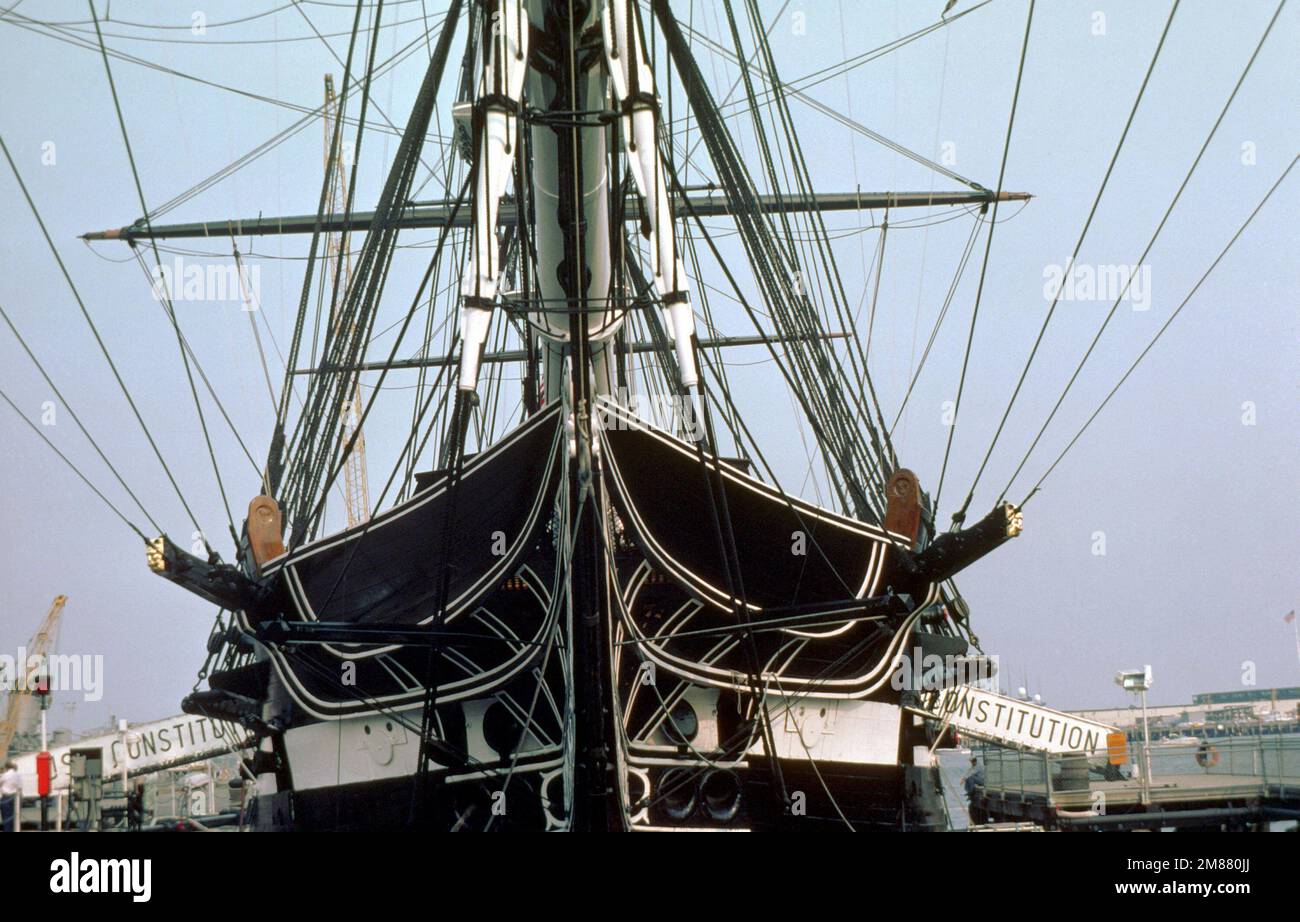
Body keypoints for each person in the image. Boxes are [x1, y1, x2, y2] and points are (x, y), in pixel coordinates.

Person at [0, 761, 20, 832]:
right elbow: (19, 787)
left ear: (7, 767)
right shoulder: (17, 775)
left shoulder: (5, 775)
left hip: (6, 798)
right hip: (15, 798)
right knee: (13, 818)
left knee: (6, 817)